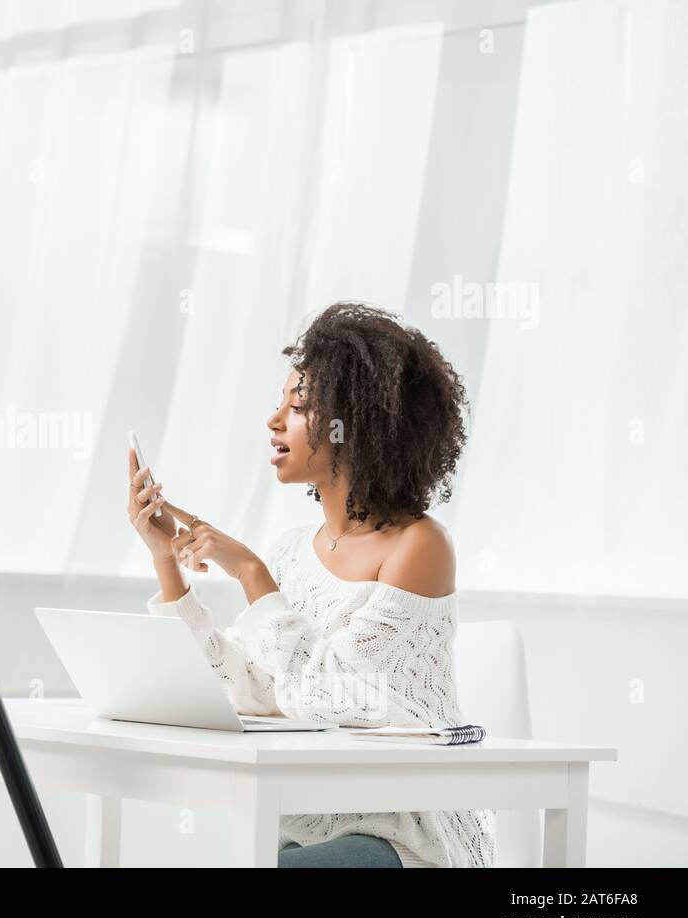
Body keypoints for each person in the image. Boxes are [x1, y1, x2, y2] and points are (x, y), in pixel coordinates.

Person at [126, 302, 495, 868]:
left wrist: (250, 573)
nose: (274, 421)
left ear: (361, 424)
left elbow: (339, 694)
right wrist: (165, 563)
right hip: (302, 837)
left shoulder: (419, 547)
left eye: (298, 406)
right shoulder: (292, 552)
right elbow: (254, 693)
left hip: (403, 839)